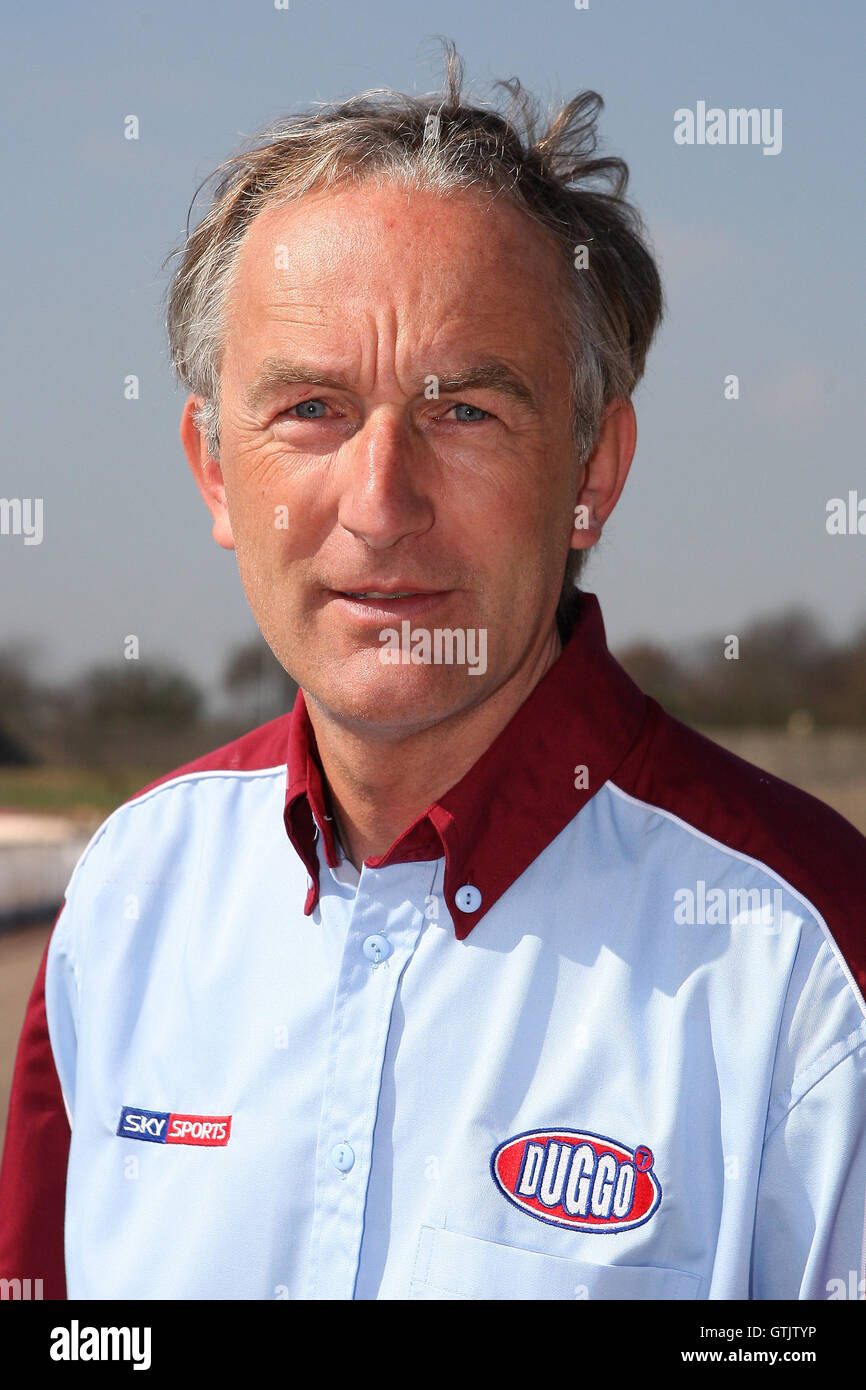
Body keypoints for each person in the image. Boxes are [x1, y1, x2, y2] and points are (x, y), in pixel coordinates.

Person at [1, 45, 864, 1302]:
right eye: (309, 408)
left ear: (591, 470)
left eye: (464, 410)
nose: (380, 501)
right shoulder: (127, 899)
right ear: (211, 470)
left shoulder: (805, 952)